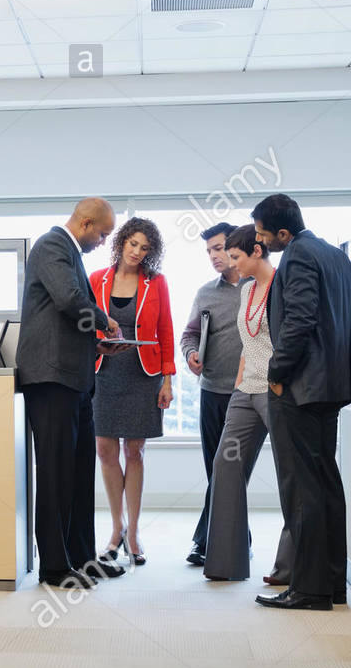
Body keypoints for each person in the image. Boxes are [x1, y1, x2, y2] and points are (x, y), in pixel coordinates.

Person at [251, 194, 351, 611]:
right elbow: (350, 319)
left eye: (263, 233)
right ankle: (331, 585)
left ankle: (308, 590)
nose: (261, 240)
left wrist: (277, 373)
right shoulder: (336, 257)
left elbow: (300, 320)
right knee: (325, 484)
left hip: (301, 389)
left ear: (283, 232)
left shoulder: (299, 255)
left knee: (302, 489)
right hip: (332, 385)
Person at [17, 198, 127, 588]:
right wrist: (105, 322)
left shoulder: (69, 252)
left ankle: (81, 557)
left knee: (79, 474)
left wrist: (95, 344)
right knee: (56, 473)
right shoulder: (51, 245)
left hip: (75, 377)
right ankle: (54, 567)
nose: (102, 241)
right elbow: (67, 300)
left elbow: (60, 317)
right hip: (51, 380)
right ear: (85, 222)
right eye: (102, 233)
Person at [88, 217, 176, 568]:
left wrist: (168, 379)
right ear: (121, 242)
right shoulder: (97, 279)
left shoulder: (157, 283)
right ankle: (116, 528)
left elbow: (166, 329)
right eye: (133, 244)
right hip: (104, 372)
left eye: (145, 248)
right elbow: (83, 322)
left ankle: (135, 532)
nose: (137, 252)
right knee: (105, 449)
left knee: (135, 451)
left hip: (143, 374)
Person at [202, 224, 282, 582]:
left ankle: (288, 568)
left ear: (257, 252)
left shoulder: (281, 286)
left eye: (235, 256)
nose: (229, 262)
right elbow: (247, 343)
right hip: (244, 391)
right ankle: (226, 564)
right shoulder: (247, 289)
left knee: (289, 476)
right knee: (225, 466)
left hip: (276, 391)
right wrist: (238, 385)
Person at [180, 221, 245, 566]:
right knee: (215, 471)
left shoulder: (259, 287)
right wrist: (190, 354)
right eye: (208, 251)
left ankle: (206, 542)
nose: (213, 257)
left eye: (218, 248)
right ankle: (235, 538)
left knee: (230, 470)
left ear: (235, 246)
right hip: (212, 392)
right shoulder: (206, 292)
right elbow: (189, 334)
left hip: (248, 394)